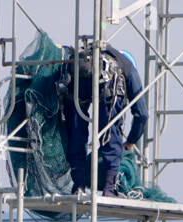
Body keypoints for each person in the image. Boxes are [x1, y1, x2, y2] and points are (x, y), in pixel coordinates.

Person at [59, 44, 147, 197]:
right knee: (110, 134)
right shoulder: (127, 67)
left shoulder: (83, 58)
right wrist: (131, 140)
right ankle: (109, 188)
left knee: (76, 133)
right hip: (108, 85)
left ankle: (78, 187)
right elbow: (142, 114)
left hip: (78, 79)